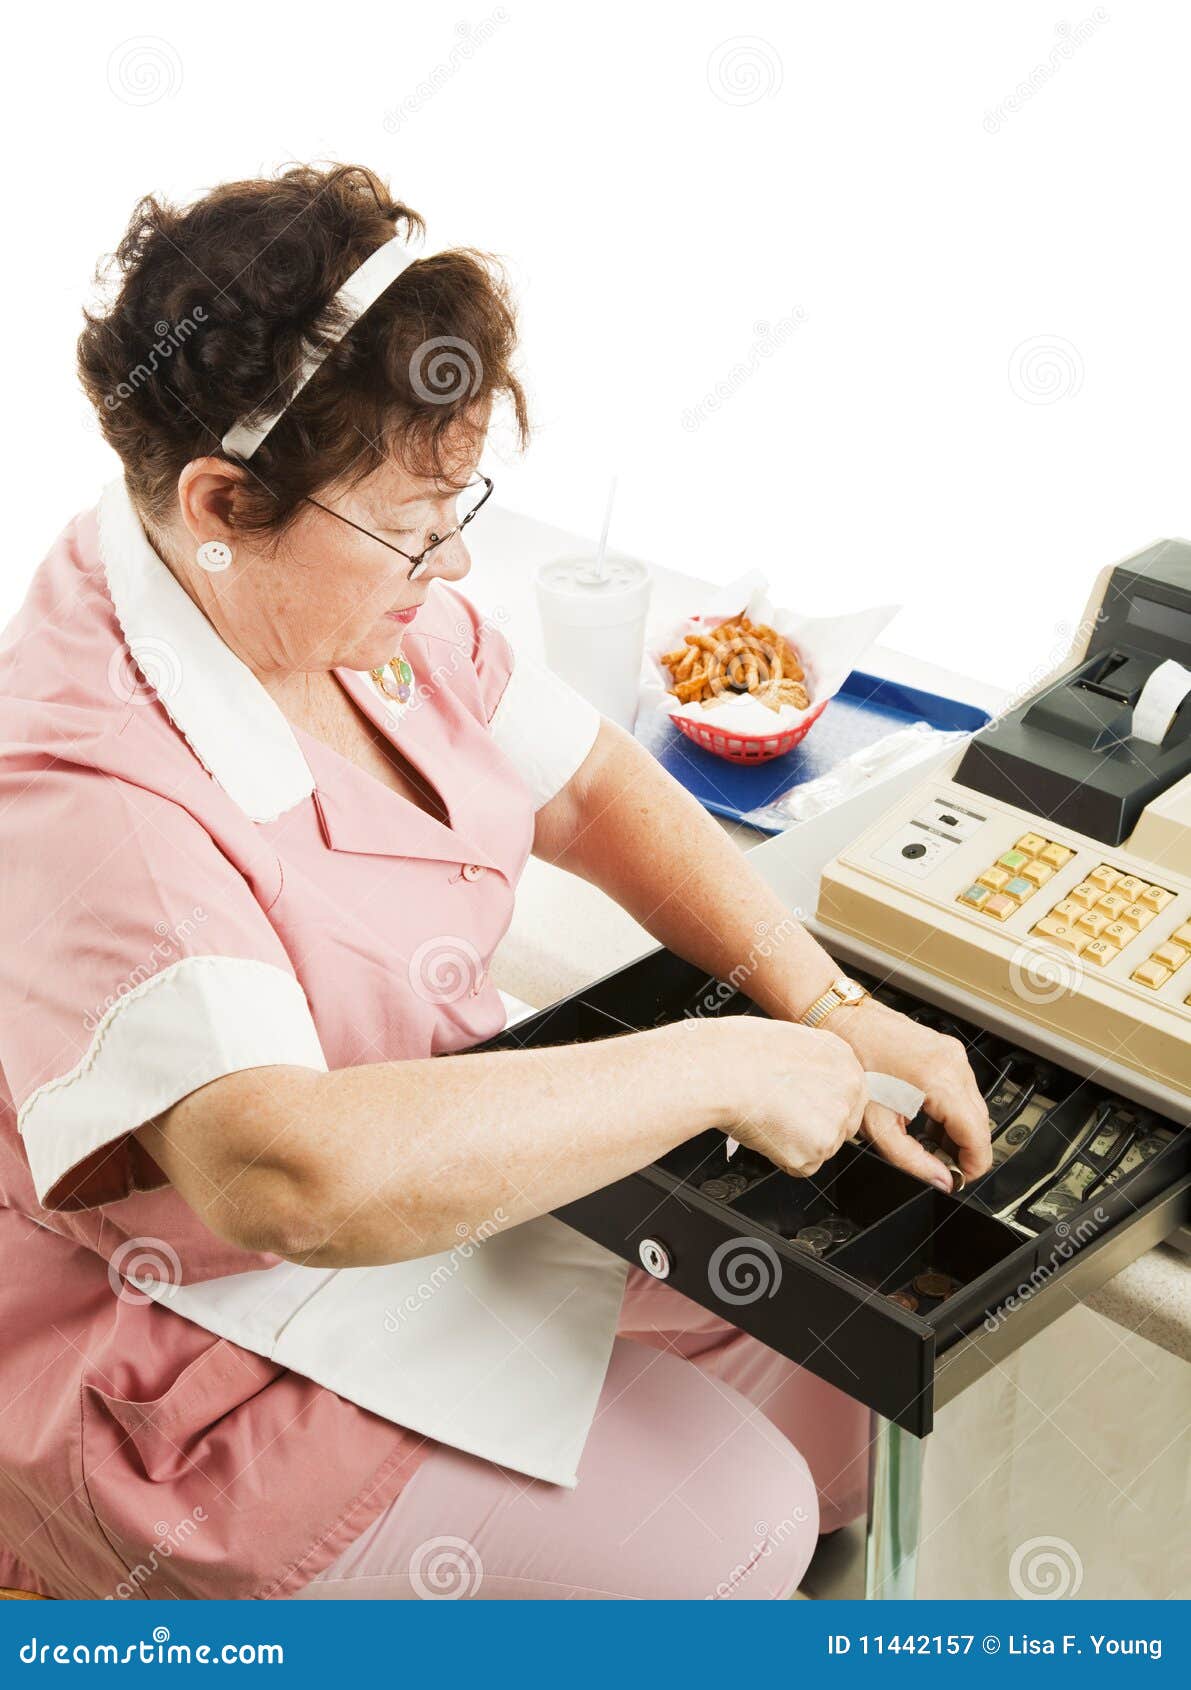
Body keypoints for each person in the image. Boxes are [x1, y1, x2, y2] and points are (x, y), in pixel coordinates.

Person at [0, 163, 990, 1601]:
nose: (454, 559)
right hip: (198, 1344)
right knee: (740, 1518)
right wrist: (718, 1058)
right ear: (222, 499)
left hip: (419, 1165)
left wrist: (830, 1005)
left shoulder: (353, 610)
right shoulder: (89, 784)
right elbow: (288, 1173)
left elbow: (584, 784)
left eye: (461, 503)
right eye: (414, 520)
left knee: (836, 1346)